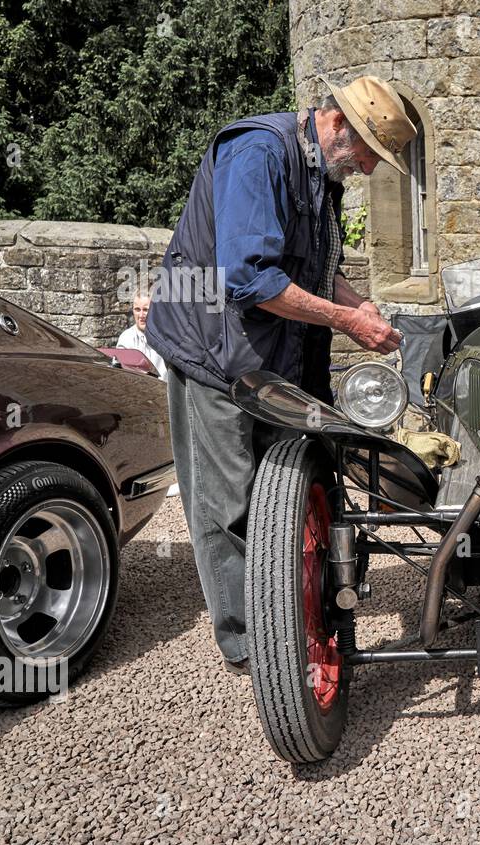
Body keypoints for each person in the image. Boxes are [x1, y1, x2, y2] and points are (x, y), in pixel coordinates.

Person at [146, 75, 413, 673]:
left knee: (297, 470)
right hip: (213, 351)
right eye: (371, 153)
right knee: (229, 502)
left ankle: (290, 608)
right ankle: (254, 649)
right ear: (339, 125)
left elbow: (312, 270)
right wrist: (347, 321)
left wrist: (357, 303)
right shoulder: (259, 153)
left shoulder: (323, 173)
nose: (370, 170)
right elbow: (249, 280)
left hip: (272, 355)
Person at [115, 287, 168, 380]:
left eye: (145, 310)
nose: (141, 315)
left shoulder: (167, 336)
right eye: (137, 309)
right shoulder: (126, 338)